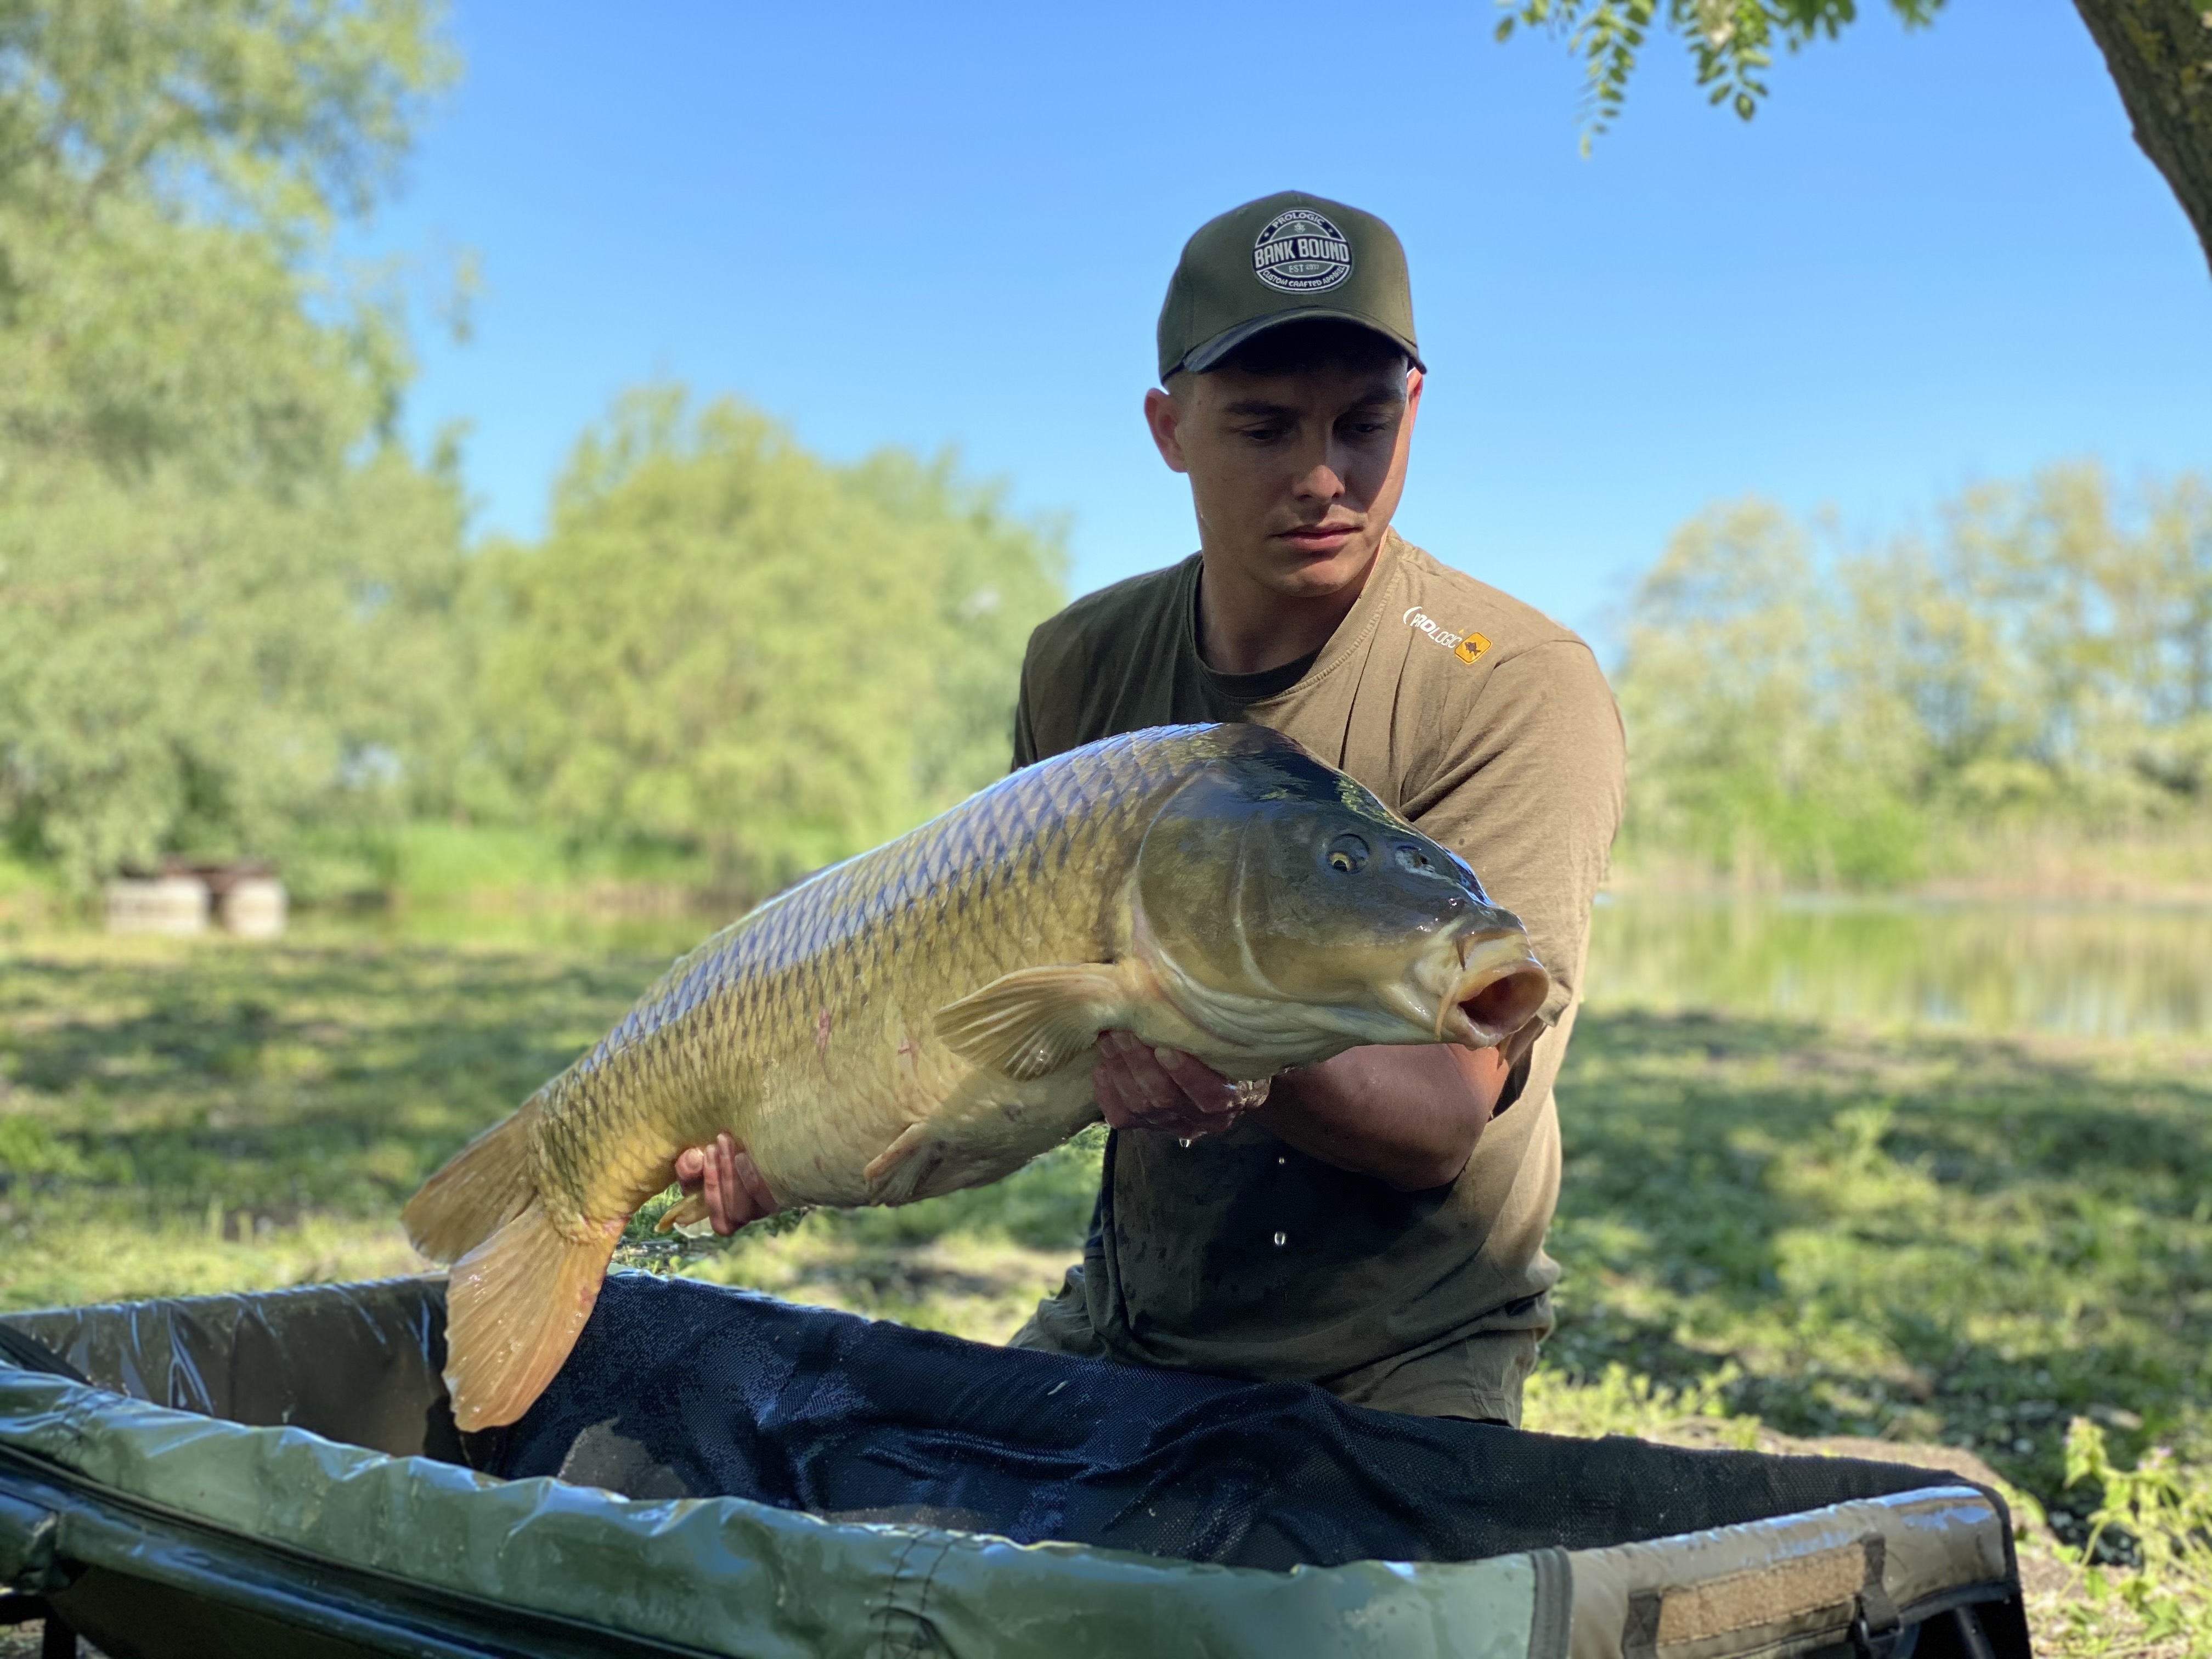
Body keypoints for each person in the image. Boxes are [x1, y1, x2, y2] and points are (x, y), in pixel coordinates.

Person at [676, 191, 1624, 1427]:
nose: (1324, 477)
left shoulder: (1509, 684)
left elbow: (1442, 1118)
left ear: (1416, 411)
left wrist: (1228, 1053)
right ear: (1170, 430)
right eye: (1267, 429)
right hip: (1131, 1317)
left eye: (1364, 424)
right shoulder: (1081, 662)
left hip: (1399, 1348)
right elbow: (1022, 1034)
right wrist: (797, 1136)